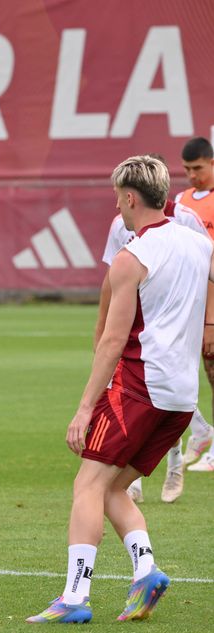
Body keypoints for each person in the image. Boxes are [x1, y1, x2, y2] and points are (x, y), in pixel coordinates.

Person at [27, 155, 214, 624]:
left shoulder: (131, 258)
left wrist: (84, 407)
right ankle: (146, 570)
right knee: (114, 489)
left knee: (86, 485)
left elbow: (112, 340)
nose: (116, 202)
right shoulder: (198, 244)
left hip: (139, 387)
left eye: (117, 195)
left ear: (130, 198)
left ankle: (74, 598)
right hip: (181, 399)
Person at [94, 155, 214, 503]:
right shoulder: (121, 226)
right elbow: (110, 279)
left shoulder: (187, 221)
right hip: (138, 324)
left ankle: (175, 463)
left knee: (158, 395)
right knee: (151, 398)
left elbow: (205, 270)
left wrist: (208, 322)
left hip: (170, 333)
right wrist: (101, 328)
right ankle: (136, 482)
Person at [175, 137, 214, 472]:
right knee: (185, 371)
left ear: (212, 163)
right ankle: (201, 431)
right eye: (187, 169)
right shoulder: (182, 201)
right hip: (193, 300)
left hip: (212, 300)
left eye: (197, 168)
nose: (192, 175)